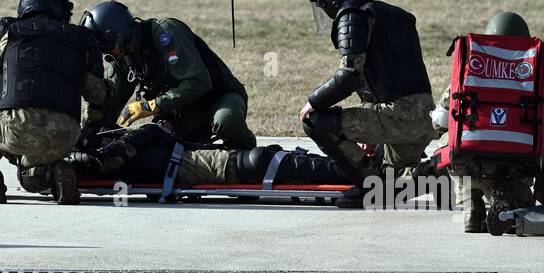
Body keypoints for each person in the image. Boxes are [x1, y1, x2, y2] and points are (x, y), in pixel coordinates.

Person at [0, 0, 109, 205]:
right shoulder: (83, 39)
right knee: (28, 173)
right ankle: (52, 173)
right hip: (66, 136)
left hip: (17, 130)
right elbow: (98, 97)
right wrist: (83, 135)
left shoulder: (9, 30)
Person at [300, 0, 435, 206]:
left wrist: (313, 102)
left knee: (316, 122)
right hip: (422, 120)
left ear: (333, 0)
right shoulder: (393, 14)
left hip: (397, 118)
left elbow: (349, 76)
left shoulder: (353, 15)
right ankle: (432, 174)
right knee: (393, 182)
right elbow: (389, 77)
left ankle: (369, 188)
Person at [429, 11, 544, 233]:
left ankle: (471, 206)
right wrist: (543, 186)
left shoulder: (471, 71)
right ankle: (508, 208)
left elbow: (440, 120)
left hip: (471, 162)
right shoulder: (536, 83)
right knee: (521, 214)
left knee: (448, 141)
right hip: (516, 167)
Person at [79, 0, 256, 150]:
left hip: (217, 98)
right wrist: (88, 132)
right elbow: (112, 99)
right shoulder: (123, 56)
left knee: (227, 122)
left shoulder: (165, 33)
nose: (111, 52)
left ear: (121, 32)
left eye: (110, 45)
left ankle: (252, 157)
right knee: (156, 147)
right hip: (180, 113)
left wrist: (151, 106)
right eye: (105, 49)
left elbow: (199, 82)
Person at [68, 121, 347, 189]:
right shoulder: (91, 159)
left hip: (185, 154)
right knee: (258, 162)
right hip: (186, 165)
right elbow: (108, 159)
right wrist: (151, 132)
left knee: (266, 157)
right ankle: (348, 172)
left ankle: (348, 167)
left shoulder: (96, 142)